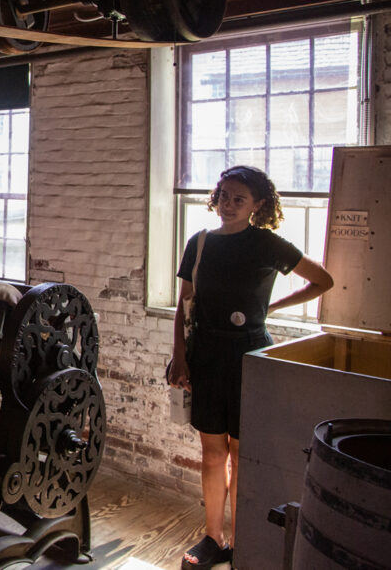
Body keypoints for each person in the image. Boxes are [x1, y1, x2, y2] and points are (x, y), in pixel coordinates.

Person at [167, 165, 332, 569]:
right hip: (205, 353)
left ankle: (241, 541)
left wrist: (272, 306)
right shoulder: (200, 242)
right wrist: (180, 354)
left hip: (250, 356)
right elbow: (184, 303)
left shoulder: (267, 244)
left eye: (239, 199)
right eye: (223, 195)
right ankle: (212, 537)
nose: (228, 205)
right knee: (211, 453)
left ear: (258, 204)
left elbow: (323, 281)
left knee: (242, 454)